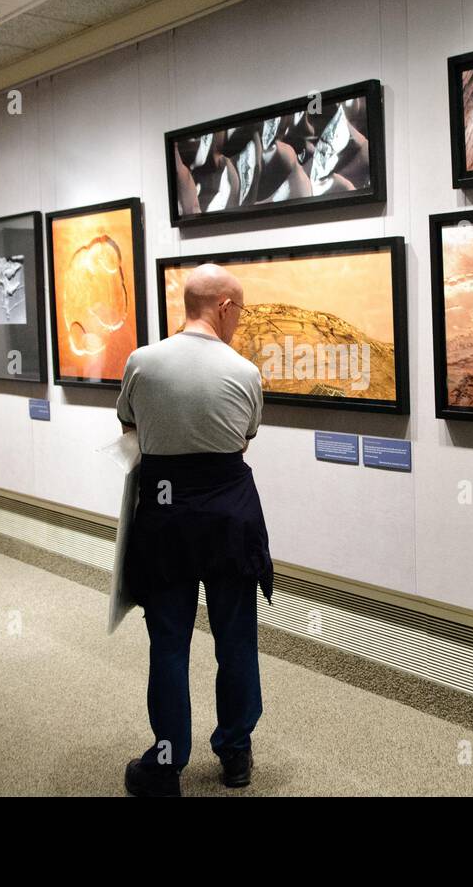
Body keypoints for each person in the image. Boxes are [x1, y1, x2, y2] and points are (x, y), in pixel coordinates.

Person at [116, 263, 271, 797]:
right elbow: (244, 438)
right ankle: (235, 753)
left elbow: (130, 427)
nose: (240, 321)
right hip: (229, 516)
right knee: (236, 640)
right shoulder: (244, 371)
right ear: (224, 306)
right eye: (241, 311)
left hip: (165, 518)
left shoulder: (142, 361)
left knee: (169, 644)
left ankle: (166, 764)